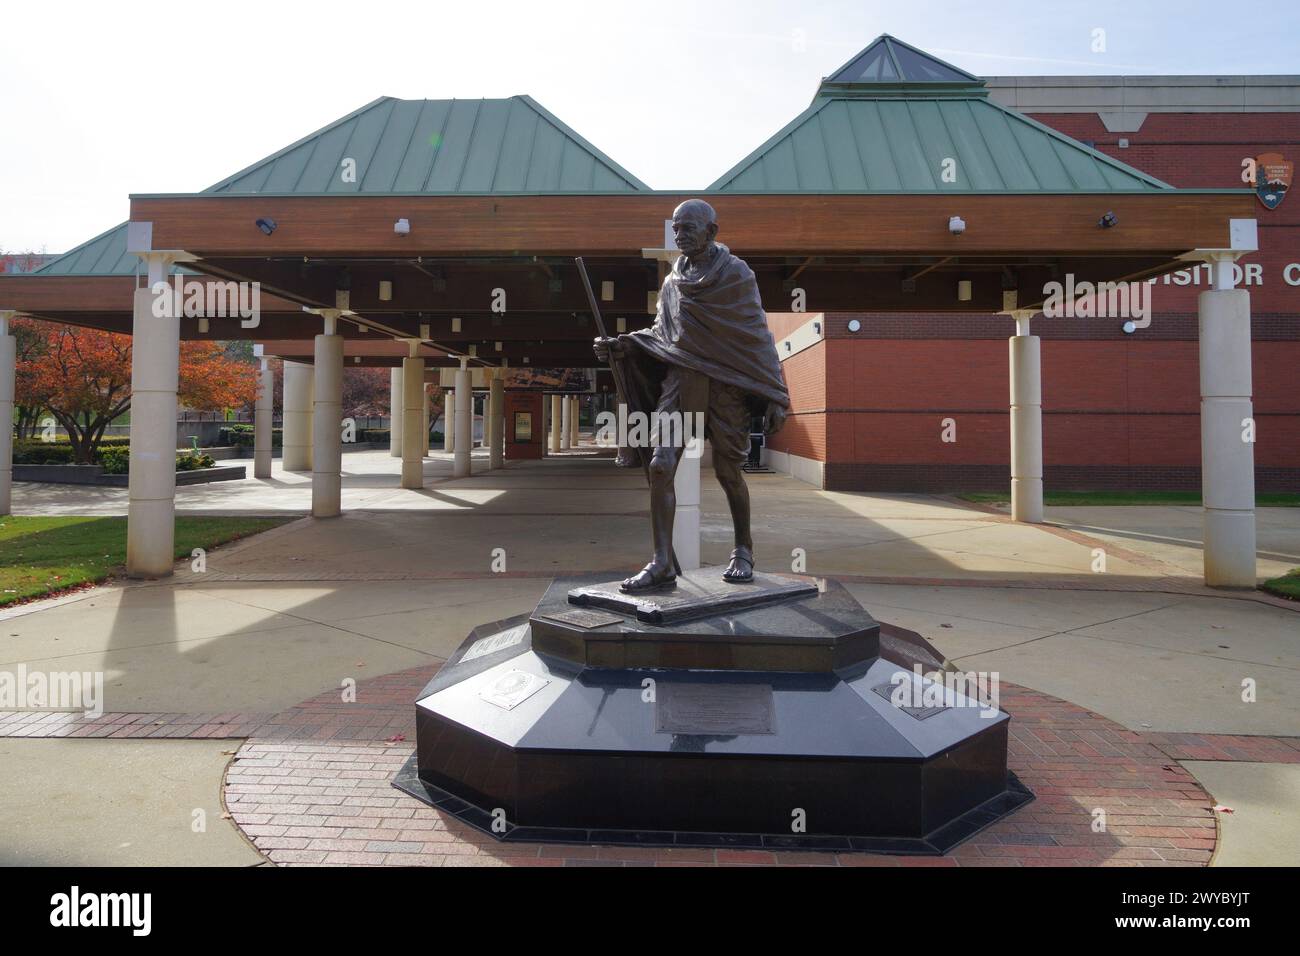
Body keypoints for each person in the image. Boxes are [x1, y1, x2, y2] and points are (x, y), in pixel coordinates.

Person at [594, 199, 789, 592]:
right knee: (660, 465)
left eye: (689, 228)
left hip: (725, 385)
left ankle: (743, 550)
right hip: (680, 382)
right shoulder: (671, 282)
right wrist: (624, 345)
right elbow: (663, 333)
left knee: (728, 471)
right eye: (677, 228)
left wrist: (775, 394)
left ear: (712, 232)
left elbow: (756, 335)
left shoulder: (736, 274)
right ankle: (663, 562)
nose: (680, 235)